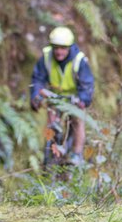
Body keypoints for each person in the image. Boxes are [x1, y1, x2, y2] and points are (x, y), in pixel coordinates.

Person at [30, 26, 94, 165]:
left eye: (63, 48)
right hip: (55, 97)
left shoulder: (79, 60)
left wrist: (83, 100)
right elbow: (38, 79)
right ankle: (48, 153)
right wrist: (36, 96)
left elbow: (87, 84)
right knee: (51, 123)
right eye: (56, 47)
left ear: (69, 47)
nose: (59, 51)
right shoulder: (46, 57)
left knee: (77, 120)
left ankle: (77, 154)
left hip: (74, 99)